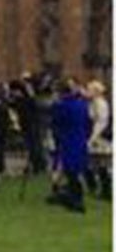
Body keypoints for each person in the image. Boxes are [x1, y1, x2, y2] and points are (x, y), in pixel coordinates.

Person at [50, 79, 92, 213]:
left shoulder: (62, 105)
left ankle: (76, 201)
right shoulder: (82, 104)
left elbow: (56, 122)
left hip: (68, 140)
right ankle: (74, 198)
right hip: (80, 139)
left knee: (71, 172)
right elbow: (87, 122)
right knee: (75, 171)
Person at [11, 76, 46, 174]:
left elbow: (33, 108)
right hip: (26, 126)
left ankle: (38, 165)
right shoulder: (19, 100)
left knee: (35, 146)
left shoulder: (26, 100)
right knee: (32, 146)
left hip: (31, 125)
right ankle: (36, 165)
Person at [86, 81, 111, 200]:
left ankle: (106, 190)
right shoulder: (92, 103)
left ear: (96, 91)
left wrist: (94, 137)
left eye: (89, 90)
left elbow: (102, 121)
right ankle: (96, 187)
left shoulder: (101, 103)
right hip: (94, 134)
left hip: (100, 136)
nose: (87, 92)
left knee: (102, 163)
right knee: (93, 163)